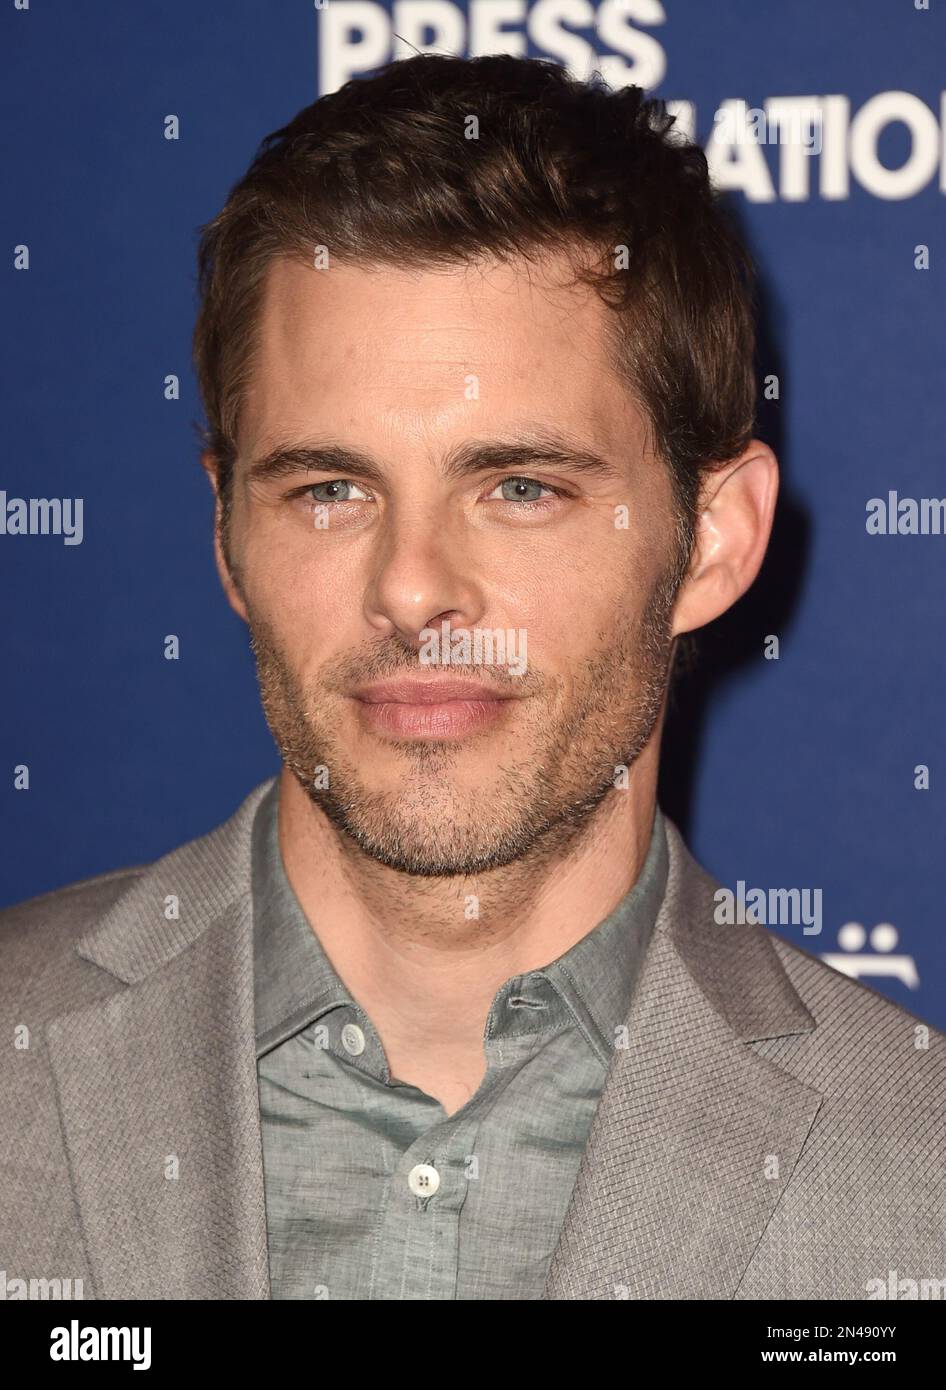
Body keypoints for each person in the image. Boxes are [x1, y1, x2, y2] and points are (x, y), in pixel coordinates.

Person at [1, 54, 943, 1301]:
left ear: (713, 539)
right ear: (228, 532)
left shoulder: (915, 1174)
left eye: (520, 488)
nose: (411, 588)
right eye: (331, 489)